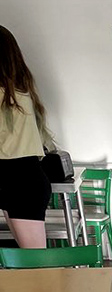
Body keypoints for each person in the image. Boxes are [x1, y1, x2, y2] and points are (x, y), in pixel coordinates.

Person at [0, 26, 52, 248]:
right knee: (29, 260)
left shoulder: (9, 96)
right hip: (23, 177)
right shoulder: (21, 93)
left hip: (20, 180)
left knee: (34, 261)